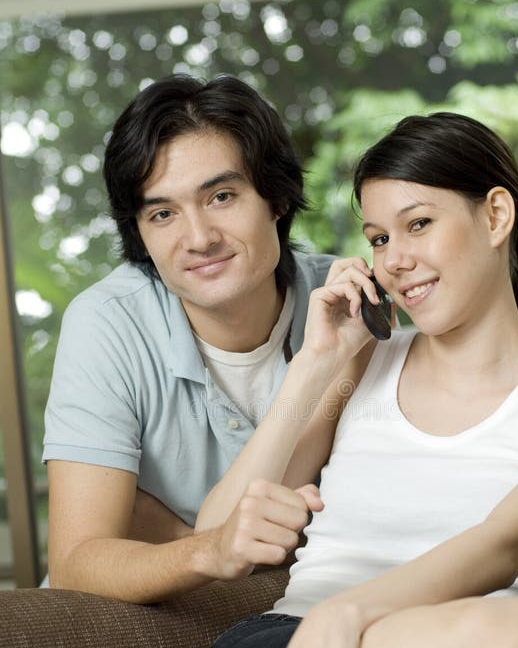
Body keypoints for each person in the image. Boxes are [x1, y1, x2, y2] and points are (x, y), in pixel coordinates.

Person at [4, 110, 518, 648]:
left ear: (496, 214)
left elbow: (507, 544)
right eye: (378, 237)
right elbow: (222, 526)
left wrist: (349, 618)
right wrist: (316, 363)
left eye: (418, 225)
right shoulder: (364, 363)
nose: (395, 258)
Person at [42, 73, 343, 603]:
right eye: (163, 213)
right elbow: (76, 563)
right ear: (140, 232)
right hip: (126, 623)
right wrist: (211, 549)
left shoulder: (345, 305)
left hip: (300, 609)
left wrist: (159, 525)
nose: (199, 239)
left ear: (275, 197)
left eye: (222, 196)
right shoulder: (108, 323)